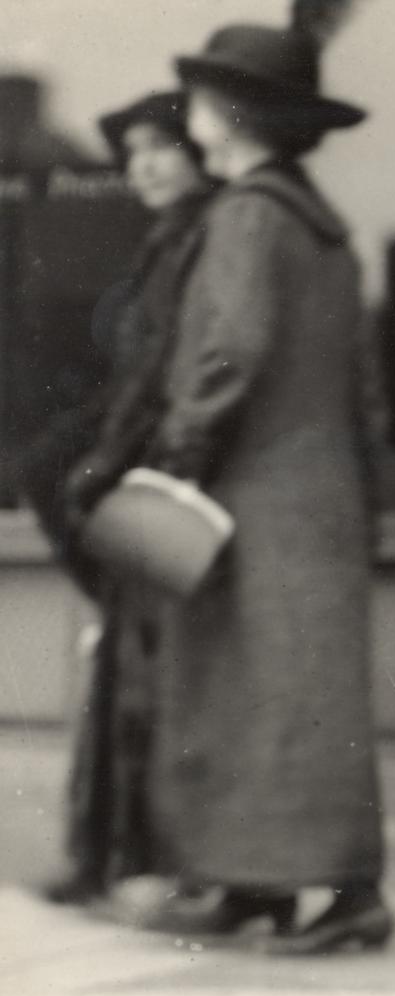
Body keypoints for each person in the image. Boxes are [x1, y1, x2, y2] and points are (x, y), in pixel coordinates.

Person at [138, 19, 394, 954]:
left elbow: (230, 349)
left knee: (263, 694)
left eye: (203, 94)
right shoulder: (323, 229)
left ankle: (337, 894)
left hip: (252, 491)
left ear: (235, 116)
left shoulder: (247, 214)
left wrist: (179, 448)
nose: (192, 110)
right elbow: (364, 386)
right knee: (290, 696)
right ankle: (260, 883)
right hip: (316, 493)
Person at [16, 92, 216, 906]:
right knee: (121, 670)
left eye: (161, 148)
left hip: (174, 471)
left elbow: (181, 373)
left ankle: (153, 859)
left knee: (157, 675)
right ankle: (109, 855)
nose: (143, 167)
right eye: (132, 154)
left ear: (200, 152)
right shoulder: (162, 244)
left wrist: (102, 464)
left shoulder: (208, 240)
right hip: (136, 464)